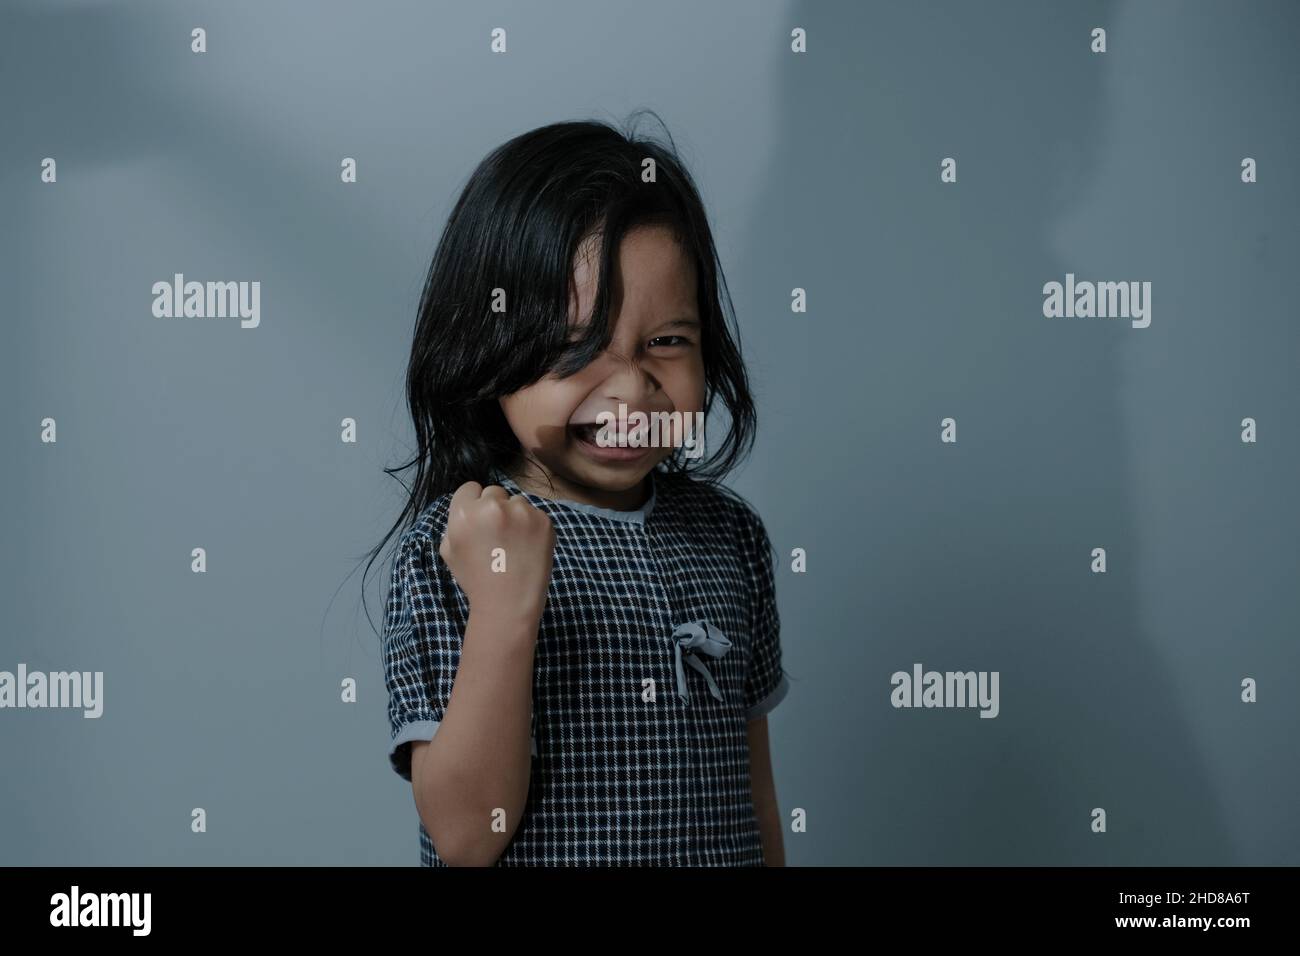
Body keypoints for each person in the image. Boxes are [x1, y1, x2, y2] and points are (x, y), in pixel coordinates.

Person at [377, 113, 790, 866]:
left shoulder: (732, 539)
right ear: (487, 349)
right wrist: (505, 606)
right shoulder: (454, 548)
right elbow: (466, 837)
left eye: (667, 341)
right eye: (576, 347)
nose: (633, 387)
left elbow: (755, 798)